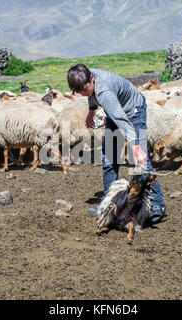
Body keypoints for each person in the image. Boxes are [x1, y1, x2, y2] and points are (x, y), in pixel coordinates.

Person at [67, 64, 166, 224]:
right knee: (109, 158)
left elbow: (123, 121)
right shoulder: (87, 77)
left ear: (91, 78)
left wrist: (135, 147)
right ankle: (110, 202)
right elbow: (94, 97)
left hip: (133, 111)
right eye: (80, 91)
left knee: (140, 160)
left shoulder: (104, 92)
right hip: (114, 111)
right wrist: (92, 110)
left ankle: (157, 206)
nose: (84, 93)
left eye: (85, 88)